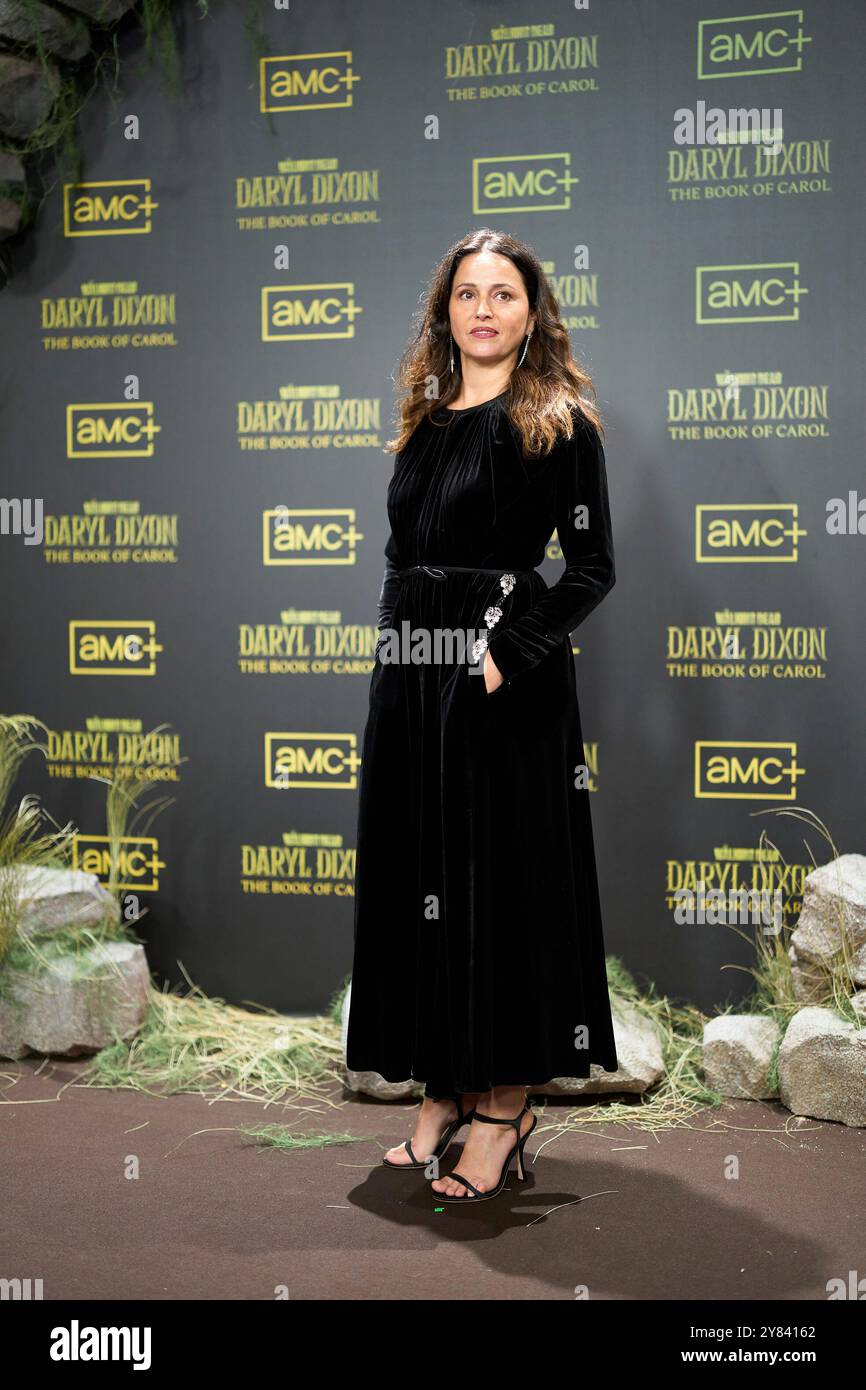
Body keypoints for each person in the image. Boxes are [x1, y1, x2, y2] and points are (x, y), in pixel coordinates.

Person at [346, 228, 619, 1203]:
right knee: (424, 881)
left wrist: (501, 657)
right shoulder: (422, 416)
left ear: (531, 311)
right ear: (445, 311)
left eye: (503, 293)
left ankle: (501, 1108)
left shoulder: (557, 420)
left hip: (503, 681)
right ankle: (439, 1091)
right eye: (467, 293)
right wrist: (395, 670)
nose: (484, 308)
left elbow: (590, 569)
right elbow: (399, 558)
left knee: (498, 894)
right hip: (413, 674)